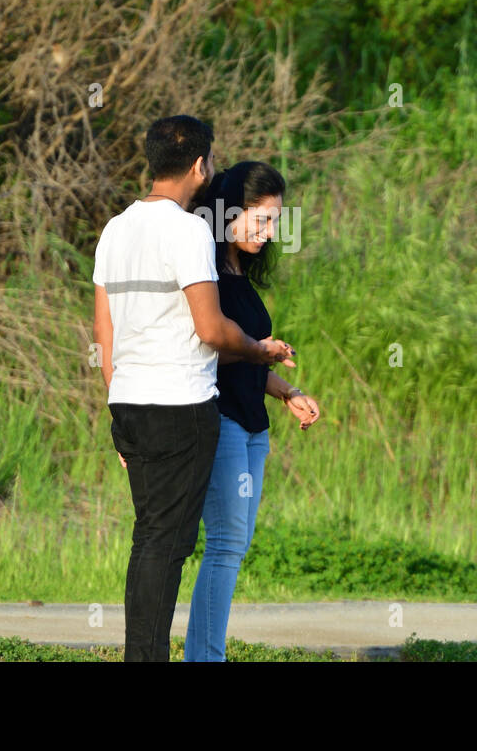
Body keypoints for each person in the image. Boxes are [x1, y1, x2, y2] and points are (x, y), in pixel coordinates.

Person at [91, 116, 296, 662]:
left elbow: (105, 334)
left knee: (152, 540)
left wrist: (118, 413)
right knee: (169, 544)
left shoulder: (114, 229)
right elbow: (209, 330)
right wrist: (258, 349)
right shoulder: (186, 231)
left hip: (130, 401)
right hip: (181, 405)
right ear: (201, 166)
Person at [183, 161, 322, 662]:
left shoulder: (239, 274)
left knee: (233, 546)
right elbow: (206, 348)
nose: (268, 232)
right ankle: (205, 657)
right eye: (260, 220)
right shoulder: (206, 275)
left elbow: (248, 360)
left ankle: (204, 653)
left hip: (251, 425)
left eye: (275, 222)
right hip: (218, 421)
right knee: (223, 544)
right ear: (227, 213)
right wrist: (257, 350)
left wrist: (287, 392)